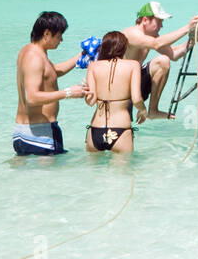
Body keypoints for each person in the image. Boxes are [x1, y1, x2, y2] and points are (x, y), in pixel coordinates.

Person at [13, 11, 87, 156]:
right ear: (47, 34)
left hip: (23, 133)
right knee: (51, 178)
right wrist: (69, 93)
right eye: (59, 36)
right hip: (41, 135)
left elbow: (51, 73)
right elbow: (32, 98)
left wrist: (81, 56)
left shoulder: (29, 51)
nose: (61, 40)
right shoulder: (35, 57)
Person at [121, 2, 198, 120]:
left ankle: (153, 111)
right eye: (159, 21)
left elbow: (173, 54)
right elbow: (157, 44)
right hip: (120, 87)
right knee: (123, 129)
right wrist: (187, 28)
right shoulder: (132, 34)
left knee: (163, 61)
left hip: (135, 83)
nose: (161, 26)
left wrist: (196, 38)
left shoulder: (151, 38)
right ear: (145, 20)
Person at [84, 31, 145, 153]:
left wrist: (86, 89)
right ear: (123, 47)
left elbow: (90, 101)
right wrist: (143, 110)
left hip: (96, 128)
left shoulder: (93, 66)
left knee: (93, 171)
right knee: (122, 172)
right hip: (121, 128)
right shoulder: (133, 65)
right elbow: (137, 98)